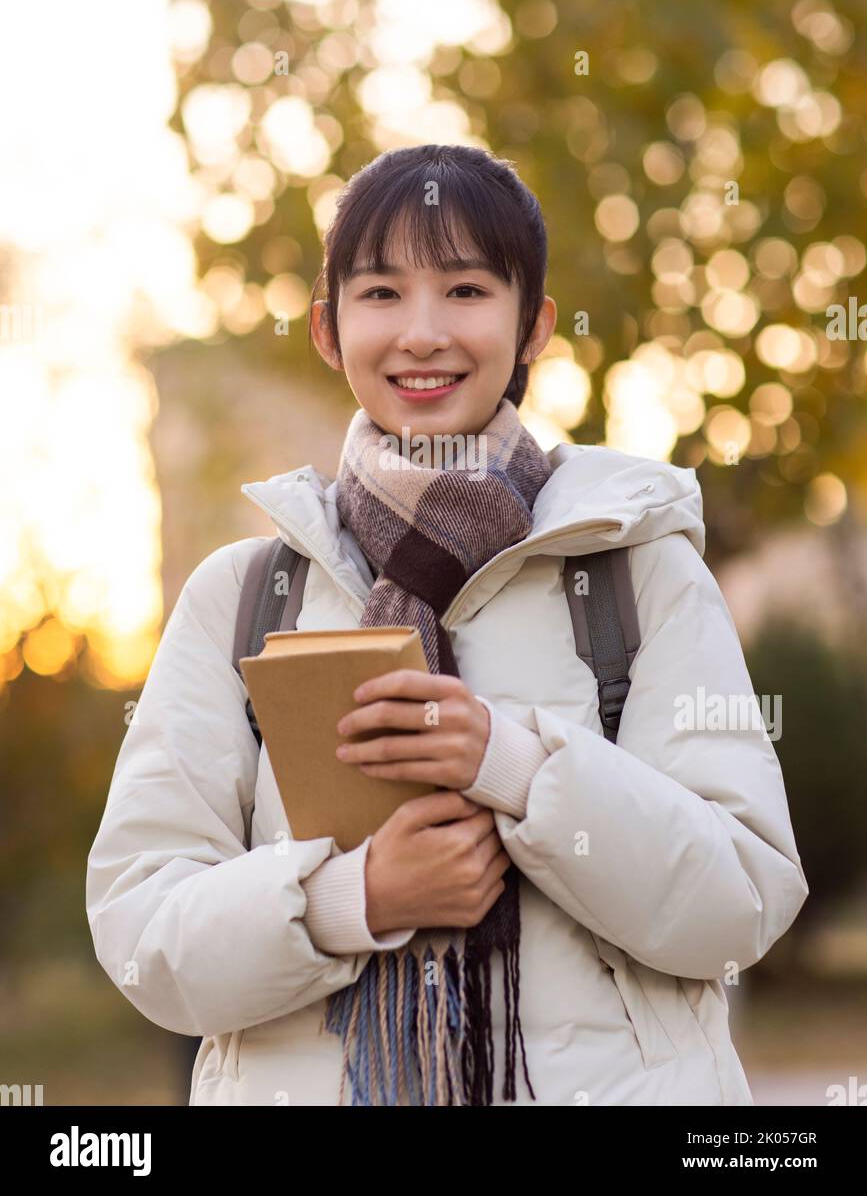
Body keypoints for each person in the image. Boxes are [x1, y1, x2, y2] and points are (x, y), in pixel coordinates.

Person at [86, 143, 809, 1106]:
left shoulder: (638, 571)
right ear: (327, 331)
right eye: (380, 294)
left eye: (466, 290)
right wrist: (356, 900)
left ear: (533, 326)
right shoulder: (245, 598)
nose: (421, 334)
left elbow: (739, 903)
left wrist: (513, 766)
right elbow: (143, 936)